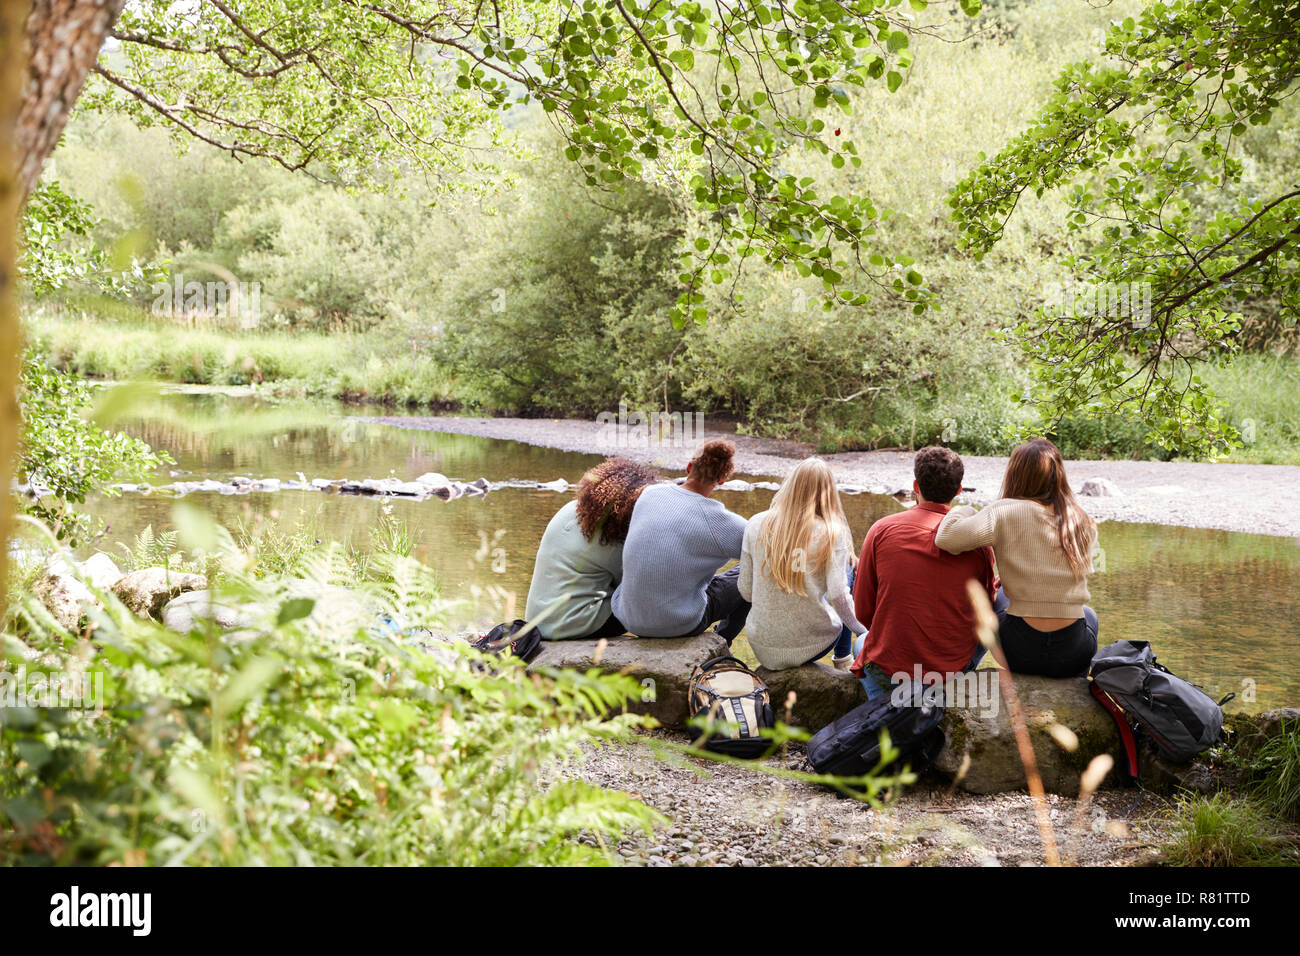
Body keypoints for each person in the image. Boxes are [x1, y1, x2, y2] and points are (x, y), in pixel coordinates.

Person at [935, 437, 1099, 678]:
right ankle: (1077, 681)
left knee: (998, 595)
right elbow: (1062, 579)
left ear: (1015, 474)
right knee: (1089, 614)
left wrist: (965, 510)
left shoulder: (1004, 511)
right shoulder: (1081, 520)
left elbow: (946, 538)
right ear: (1059, 475)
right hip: (1072, 653)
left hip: (1020, 653)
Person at [850, 446, 999, 699]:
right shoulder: (978, 543)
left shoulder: (881, 530)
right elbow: (983, 616)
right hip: (950, 669)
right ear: (959, 490)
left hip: (891, 667)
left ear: (915, 487)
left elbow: (863, 611)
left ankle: (892, 703)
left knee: (860, 642)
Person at [611, 439, 751, 641]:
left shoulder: (649, 493)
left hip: (628, 617)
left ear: (689, 467)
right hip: (679, 623)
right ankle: (723, 641)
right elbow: (763, 549)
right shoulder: (719, 520)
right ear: (722, 480)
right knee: (754, 567)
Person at [738, 458, 864, 670]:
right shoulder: (832, 532)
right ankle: (843, 658)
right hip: (812, 645)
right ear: (828, 492)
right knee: (849, 567)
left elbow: (746, 592)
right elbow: (838, 596)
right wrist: (864, 632)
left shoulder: (755, 523)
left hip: (762, 646)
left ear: (791, 484)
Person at [525, 457, 660, 640]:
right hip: (574, 626)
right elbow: (635, 588)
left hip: (538, 622)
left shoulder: (569, 509)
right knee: (651, 603)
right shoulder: (610, 541)